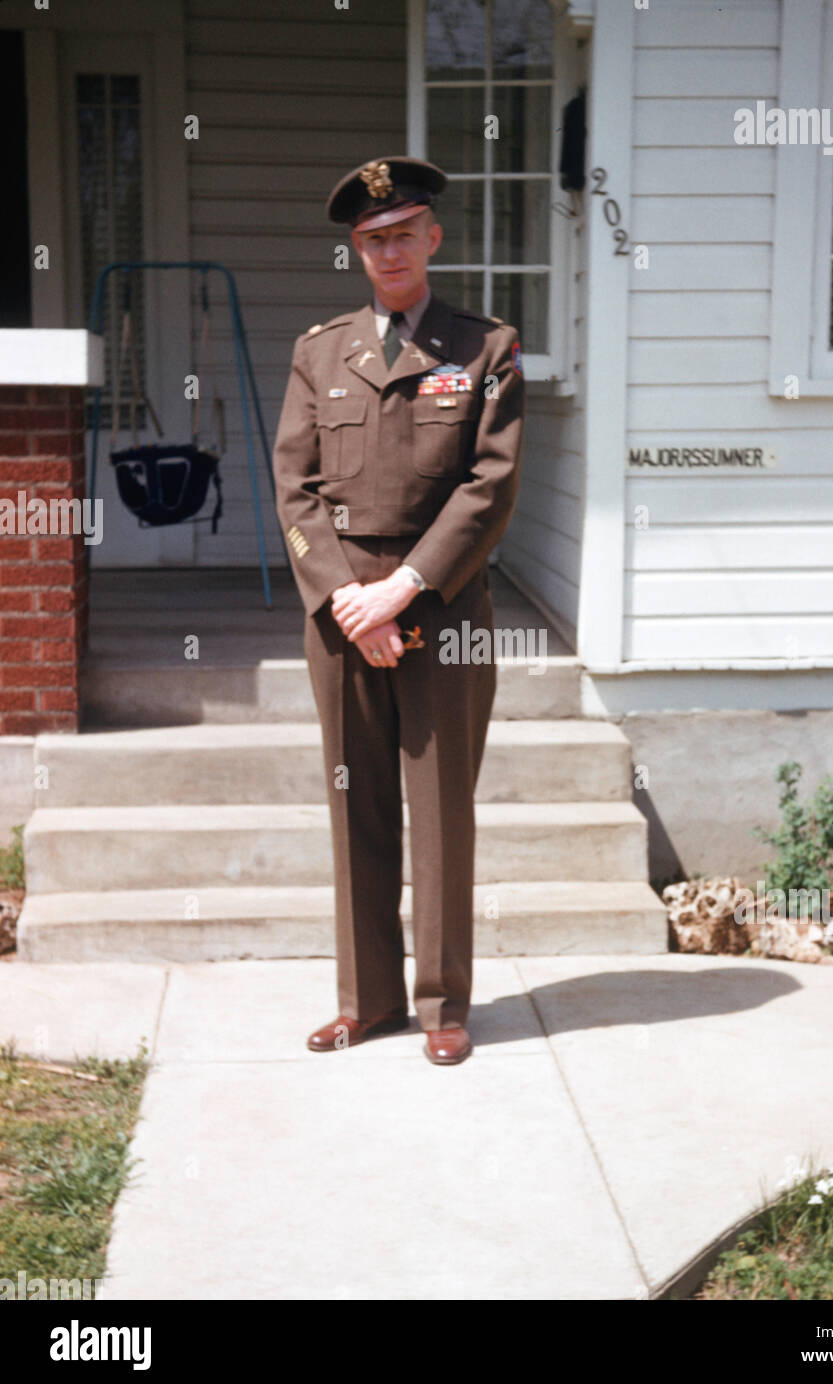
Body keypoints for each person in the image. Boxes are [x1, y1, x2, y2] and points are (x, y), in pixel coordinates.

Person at [272, 156, 525, 1065]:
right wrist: (349, 597)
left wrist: (402, 589)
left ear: (433, 239)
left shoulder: (485, 348)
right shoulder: (319, 351)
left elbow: (487, 489)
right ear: (356, 249)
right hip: (341, 612)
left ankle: (443, 1005)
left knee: (439, 805)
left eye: (404, 234)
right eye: (372, 240)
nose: (389, 252)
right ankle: (366, 999)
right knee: (358, 803)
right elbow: (295, 488)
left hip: (443, 608)